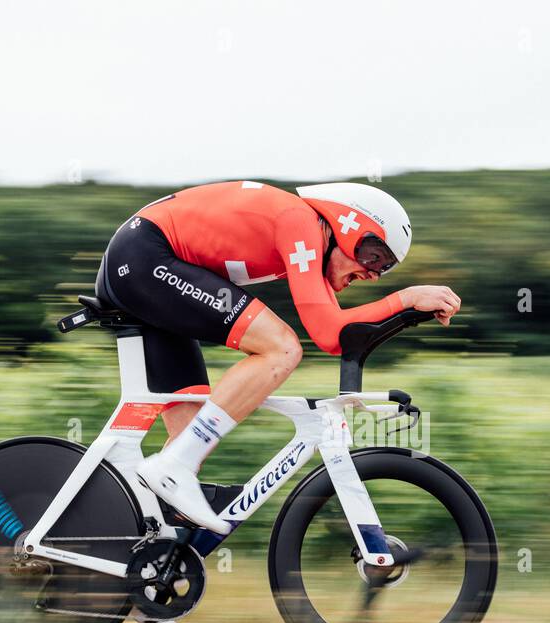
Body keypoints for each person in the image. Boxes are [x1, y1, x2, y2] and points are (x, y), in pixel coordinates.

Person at [95, 181, 460, 533]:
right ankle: (172, 469)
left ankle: (141, 547)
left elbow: (338, 338)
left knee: (190, 430)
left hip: (146, 261)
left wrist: (409, 313)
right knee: (281, 348)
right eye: (373, 256)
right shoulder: (298, 222)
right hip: (144, 256)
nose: (373, 274)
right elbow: (329, 333)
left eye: (384, 268)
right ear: (347, 227)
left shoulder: (307, 239)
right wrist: (406, 297)